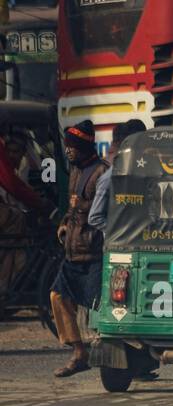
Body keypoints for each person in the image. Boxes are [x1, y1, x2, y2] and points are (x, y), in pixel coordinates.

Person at [49, 120, 109, 378]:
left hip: (94, 253)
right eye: (67, 146)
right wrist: (64, 223)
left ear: (84, 147)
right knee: (57, 296)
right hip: (73, 252)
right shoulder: (75, 170)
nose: (68, 151)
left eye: (73, 146)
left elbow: (102, 214)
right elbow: (73, 208)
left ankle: (118, 358)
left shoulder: (102, 173)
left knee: (98, 306)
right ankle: (79, 352)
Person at [1, 133, 52, 289]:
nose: (11, 155)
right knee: (14, 238)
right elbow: (14, 186)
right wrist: (40, 203)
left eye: (16, 152)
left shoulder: (24, 169)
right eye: (9, 151)